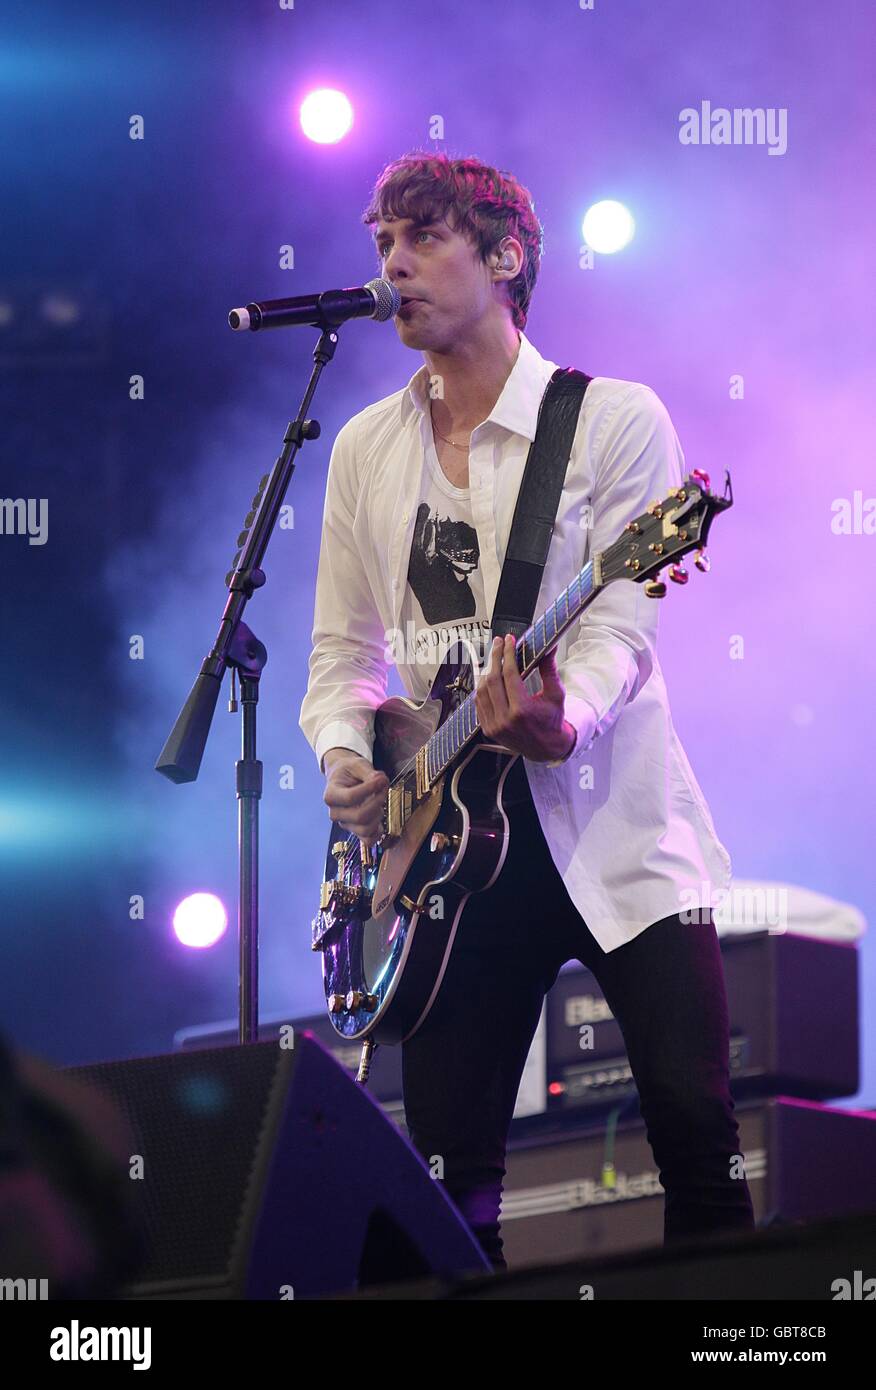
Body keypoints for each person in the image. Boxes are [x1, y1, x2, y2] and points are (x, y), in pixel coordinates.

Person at [299, 150, 755, 1270]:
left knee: (698, 1143)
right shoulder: (363, 448)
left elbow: (617, 628)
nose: (393, 264)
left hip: (618, 836)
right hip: (449, 862)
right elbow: (340, 653)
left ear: (505, 258)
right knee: (453, 1184)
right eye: (380, 245)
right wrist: (347, 753)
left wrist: (562, 719)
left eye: (421, 238)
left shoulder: (611, 420)